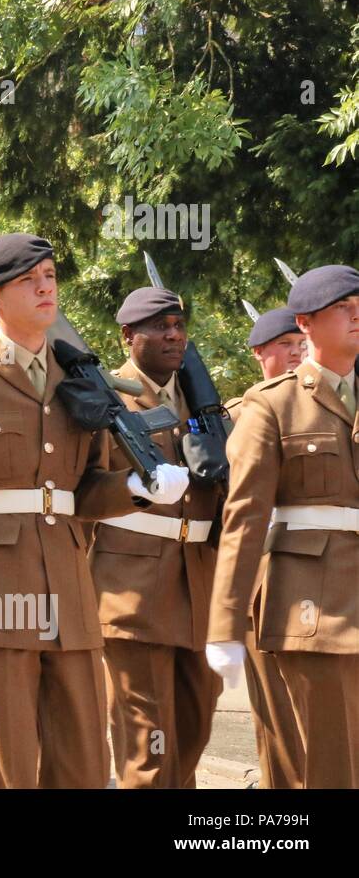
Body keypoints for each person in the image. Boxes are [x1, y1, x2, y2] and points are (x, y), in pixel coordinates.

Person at [0, 233, 189, 787]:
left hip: (69, 597)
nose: (46, 287)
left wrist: (138, 489)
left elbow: (85, 492)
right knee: (7, 770)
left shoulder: (78, 377)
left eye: (50, 276)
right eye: (30, 280)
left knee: (82, 769)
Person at [207, 265, 359, 787]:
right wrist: (225, 627)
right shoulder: (272, 404)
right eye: (343, 308)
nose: (357, 315)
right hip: (311, 607)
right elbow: (244, 516)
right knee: (328, 769)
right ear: (307, 323)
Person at [88, 287, 222, 788]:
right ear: (128, 336)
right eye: (159, 326)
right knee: (148, 747)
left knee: (192, 735)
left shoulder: (204, 402)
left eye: (179, 326)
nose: (173, 335)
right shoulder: (108, 399)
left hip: (198, 590)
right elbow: (84, 493)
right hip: (132, 592)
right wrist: (132, 488)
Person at [224, 307, 306, 788]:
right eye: (286, 346)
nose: (297, 354)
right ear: (260, 353)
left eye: (301, 345)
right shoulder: (239, 413)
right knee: (276, 709)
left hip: (330, 572)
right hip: (268, 574)